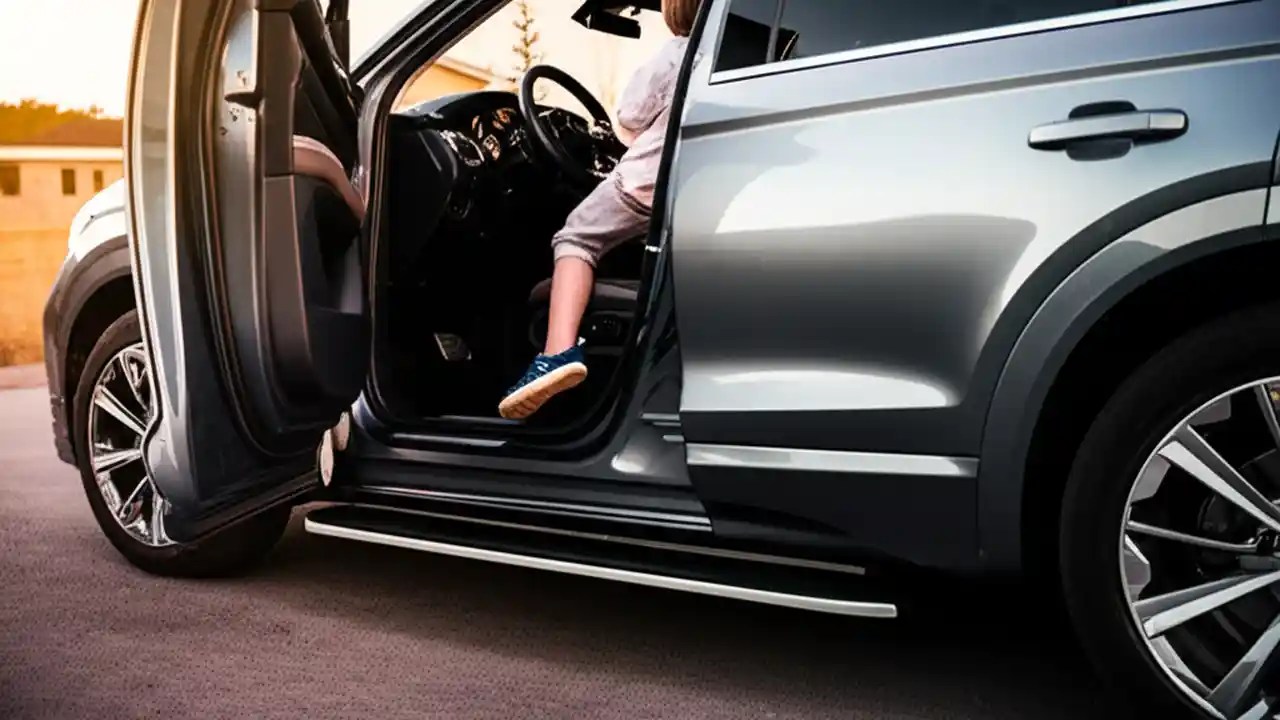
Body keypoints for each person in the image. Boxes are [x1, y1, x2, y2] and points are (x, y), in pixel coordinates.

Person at [499, 0, 701, 420]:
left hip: (643, 185)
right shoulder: (722, 59)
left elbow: (628, 119)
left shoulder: (678, 51)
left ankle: (556, 353)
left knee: (576, 238)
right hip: (684, 190)